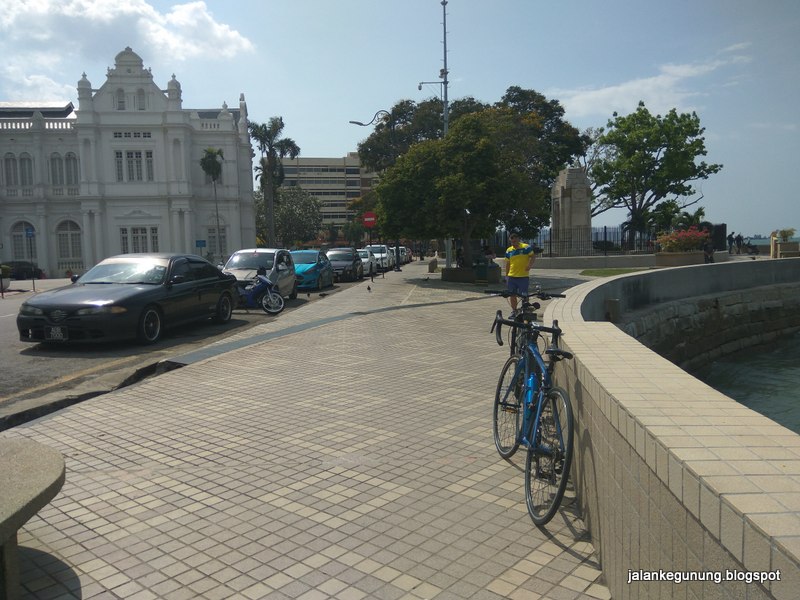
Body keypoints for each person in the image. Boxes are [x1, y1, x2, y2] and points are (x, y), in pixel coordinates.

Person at [504, 232, 535, 315]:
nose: (513, 243)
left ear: (518, 240)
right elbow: (507, 263)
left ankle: (525, 310)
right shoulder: (509, 250)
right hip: (512, 277)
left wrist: (529, 265)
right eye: (511, 242)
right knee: (512, 295)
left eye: (515, 241)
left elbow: (532, 256)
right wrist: (506, 276)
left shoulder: (526, 247)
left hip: (523, 276)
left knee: (524, 295)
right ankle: (514, 310)